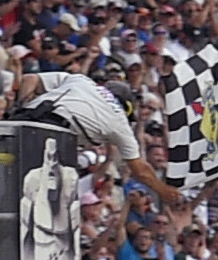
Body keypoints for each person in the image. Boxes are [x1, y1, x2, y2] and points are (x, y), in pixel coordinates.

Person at [12, 70, 181, 205]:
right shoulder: (120, 121)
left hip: (22, 120)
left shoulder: (80, 80)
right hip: (51, 138)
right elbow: (140, 170)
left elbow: (30, 78)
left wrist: (22, 106)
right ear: (127, 108)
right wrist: (163, 191)